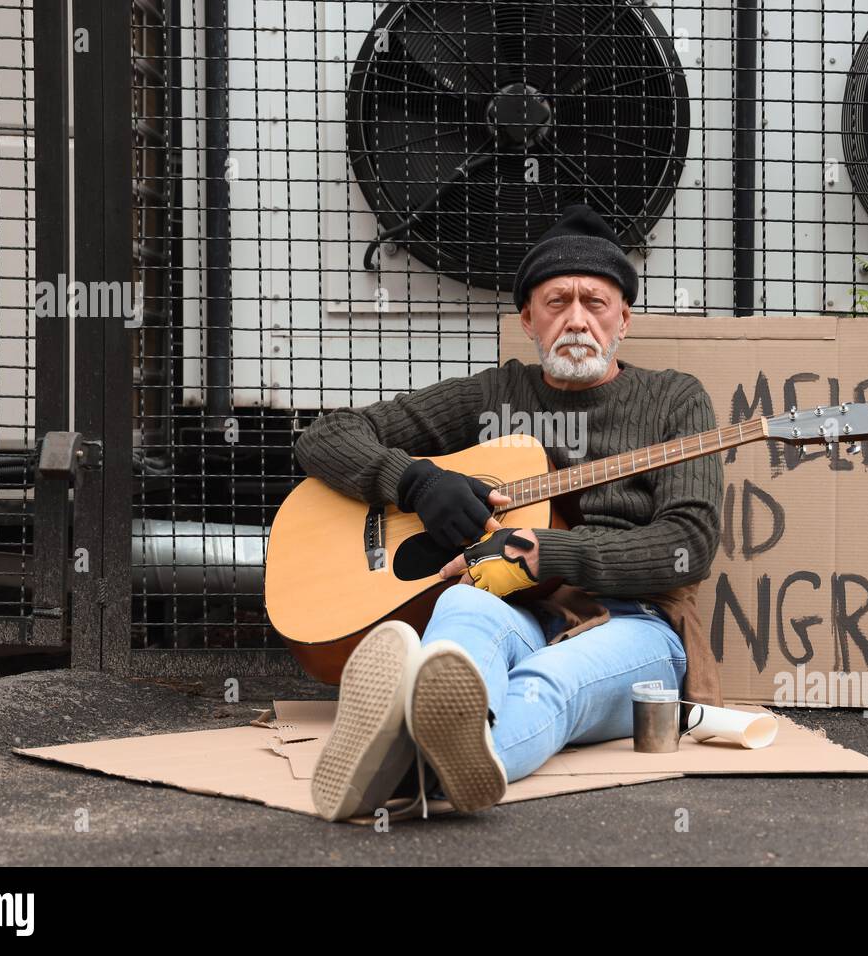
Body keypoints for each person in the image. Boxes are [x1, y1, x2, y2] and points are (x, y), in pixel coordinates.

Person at [294, 204, 723, 821]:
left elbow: (688, 543)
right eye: (556, 302)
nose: (577, 320)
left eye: (595, 302)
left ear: (624, 318)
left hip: (639, 625)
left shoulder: (675, 399)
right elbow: (327, 436)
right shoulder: (495, 395)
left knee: (556, 678)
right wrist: (414, 482)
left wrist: (544, 553)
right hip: (517, 610)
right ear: (528, 318)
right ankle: (421, 735)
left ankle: (408, 762)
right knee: (460, 609)